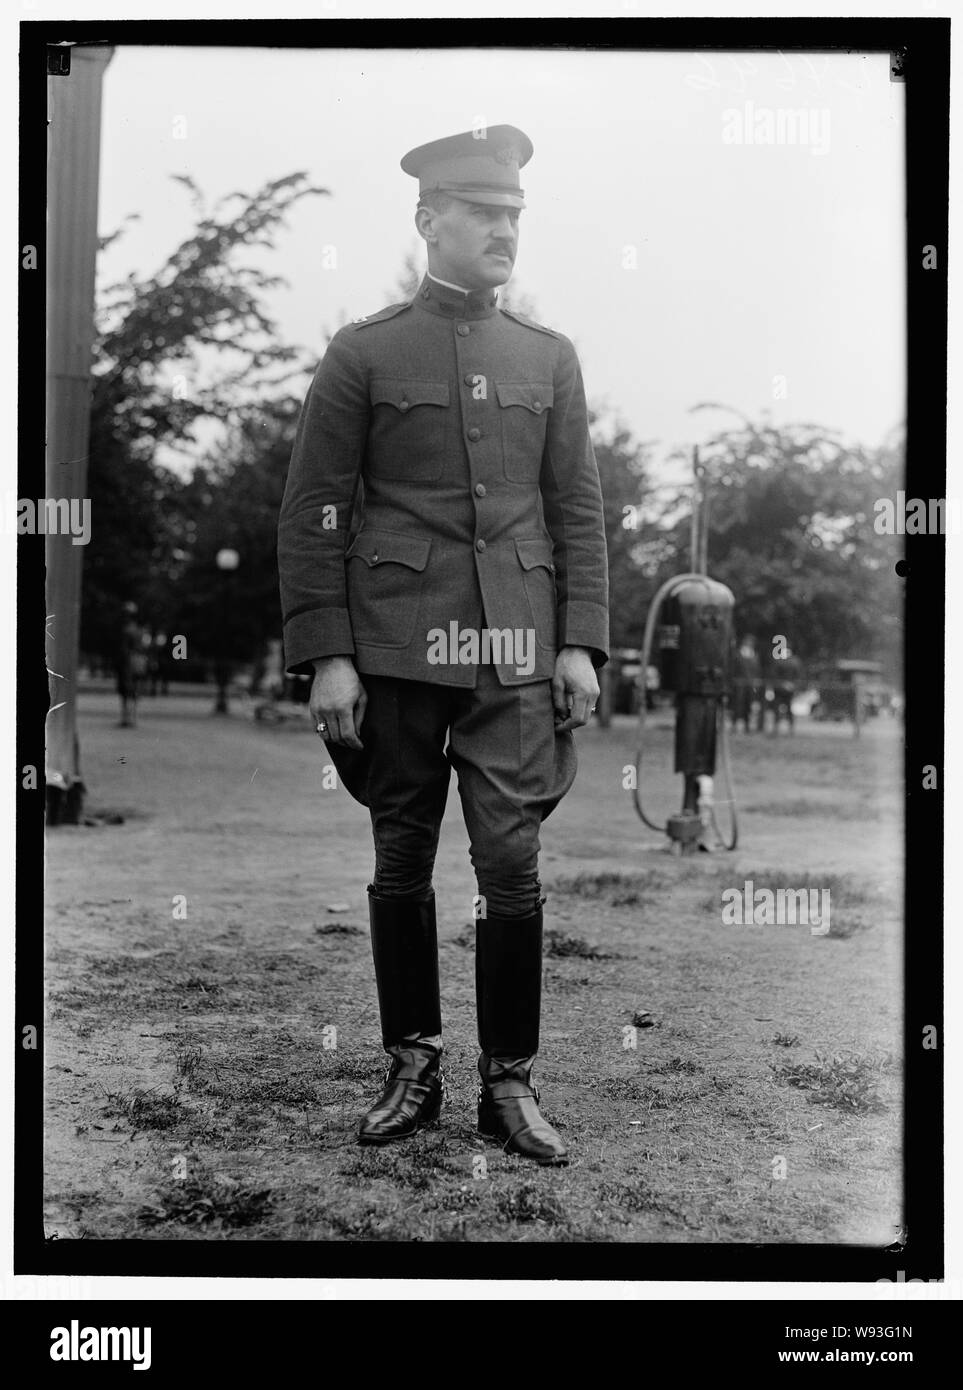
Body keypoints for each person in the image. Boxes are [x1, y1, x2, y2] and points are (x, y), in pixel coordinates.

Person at [277, 125, 609, 1166]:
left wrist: (581, 644)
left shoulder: (548, 359)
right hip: (394, 655)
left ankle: (508, 1083)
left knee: (512, 864)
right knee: (401, 855)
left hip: (515, 651)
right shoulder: (365, 352)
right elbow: (314, 511)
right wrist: (329, 653)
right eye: (485, 212)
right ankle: (410, 1065)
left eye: (515, 214)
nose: (506, 228)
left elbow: (578, 512)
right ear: (431, 220)